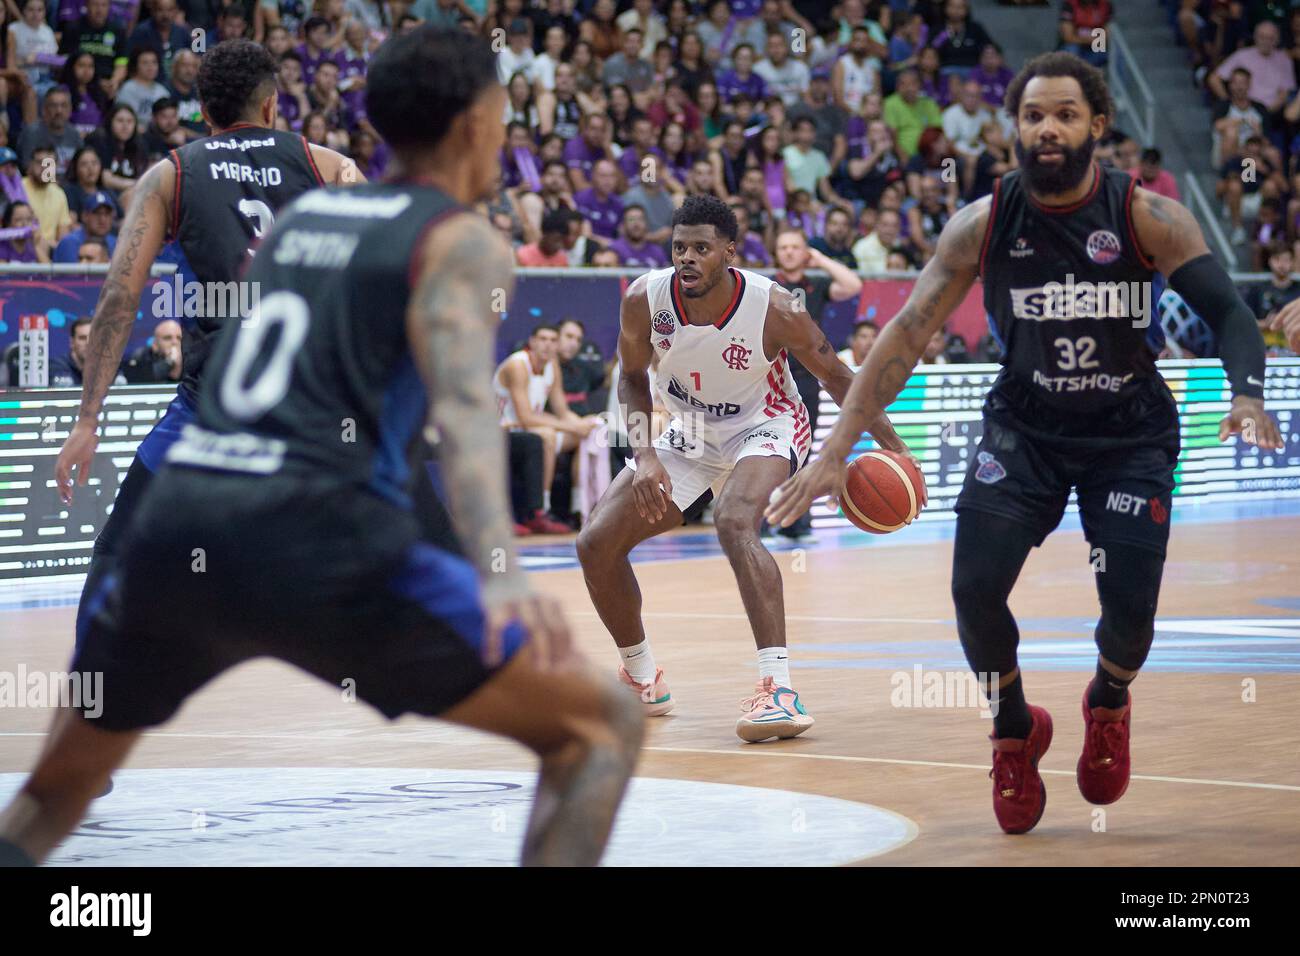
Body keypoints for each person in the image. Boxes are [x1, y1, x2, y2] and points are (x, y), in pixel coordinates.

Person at [0, 27, 641, 869]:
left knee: (48, 801)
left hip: (183, 520)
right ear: (474, 124)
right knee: (604, 725)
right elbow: (463, 410)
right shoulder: (455, 237)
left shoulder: (295, 226)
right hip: (321, 539)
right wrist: (502, 570)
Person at [769, 52, 1282, 835]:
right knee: (974, 589)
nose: (1047, 128)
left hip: (1129, 434)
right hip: (1024, 428)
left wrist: (1247, 391)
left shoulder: (1147, 216)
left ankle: (1107, 703)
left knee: (1132, 620)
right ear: (1014, 127)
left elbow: (1233, 315)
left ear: (1097, 127)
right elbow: (905, 335)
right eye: (1033, 115)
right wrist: (837, 448)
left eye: (1065, 115)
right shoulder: (981, 223)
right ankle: (1014, 728)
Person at [53, 39, 359, 718]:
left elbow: (117, 301)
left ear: (200, 109)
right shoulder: (330, 167)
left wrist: (86, 419)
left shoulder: (171, 175)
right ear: (273, 103)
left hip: (212, 405)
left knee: (115, 563)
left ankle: (92, 723)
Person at [576, 194, 909, 741]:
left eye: (701, 249)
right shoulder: (643, 299)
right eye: (679, 247)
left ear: (729, 253)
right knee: (595, 544)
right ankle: (642, 679)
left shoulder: (776, 307)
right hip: (691, 430)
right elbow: (631, 377)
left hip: (767, 420)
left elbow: (838, 378)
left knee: (734, 519)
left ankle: (777, 690)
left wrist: (894, 448)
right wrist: (645, 456)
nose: (687, 258)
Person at [770, 226, 863, 538]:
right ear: (776, 253)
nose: (789, 253)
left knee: (803, 450)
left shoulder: (818, 284)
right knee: (768, 448)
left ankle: (797, 521)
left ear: (804, 252)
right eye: (783, 248)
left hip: (808, 379)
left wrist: (821, 258)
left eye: (795, 247)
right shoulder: (768, 286)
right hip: (771, 379)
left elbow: (853, 284)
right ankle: (763, 519)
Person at [494, 322, 601, 532]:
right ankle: (540, 511)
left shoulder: (552, 366)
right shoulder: (518, 365)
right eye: (542, 339)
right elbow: (526, 417)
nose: (548, 345)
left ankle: (581, 509)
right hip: (502, 430)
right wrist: (569, 426)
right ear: (532, 342)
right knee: (547, 436)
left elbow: (562, 410)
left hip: (529, 431)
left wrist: (581, 424)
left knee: (587, 435)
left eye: (553, 340)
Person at [52, 189, 118, 262]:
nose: (102, 219)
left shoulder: (115, 243)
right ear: (84, 216)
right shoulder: (69, 243)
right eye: (96, 213)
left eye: (107, 214)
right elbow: (73, 273)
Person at [121, 318, 183, 383]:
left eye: (179, 338)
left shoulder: (190, 358)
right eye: (167, 338)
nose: (175, 342)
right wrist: (169, 362)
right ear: (155, 344)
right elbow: (141, 381)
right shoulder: (141, 355)